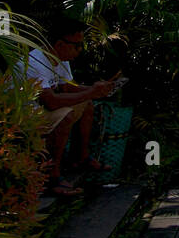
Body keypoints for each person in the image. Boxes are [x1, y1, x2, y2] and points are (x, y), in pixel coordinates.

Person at [17, 17, 119, 196]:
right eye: (76, 46)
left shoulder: (61, 59)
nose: (79, 51)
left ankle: (81, 157)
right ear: (59, 44)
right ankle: (52, 176)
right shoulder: (35, 62)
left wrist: (97, 89)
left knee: (86, 105)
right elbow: (51, 101)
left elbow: (68, 87)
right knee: (66, 115)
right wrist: (91, 92)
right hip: (23, 115)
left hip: (42, 109)